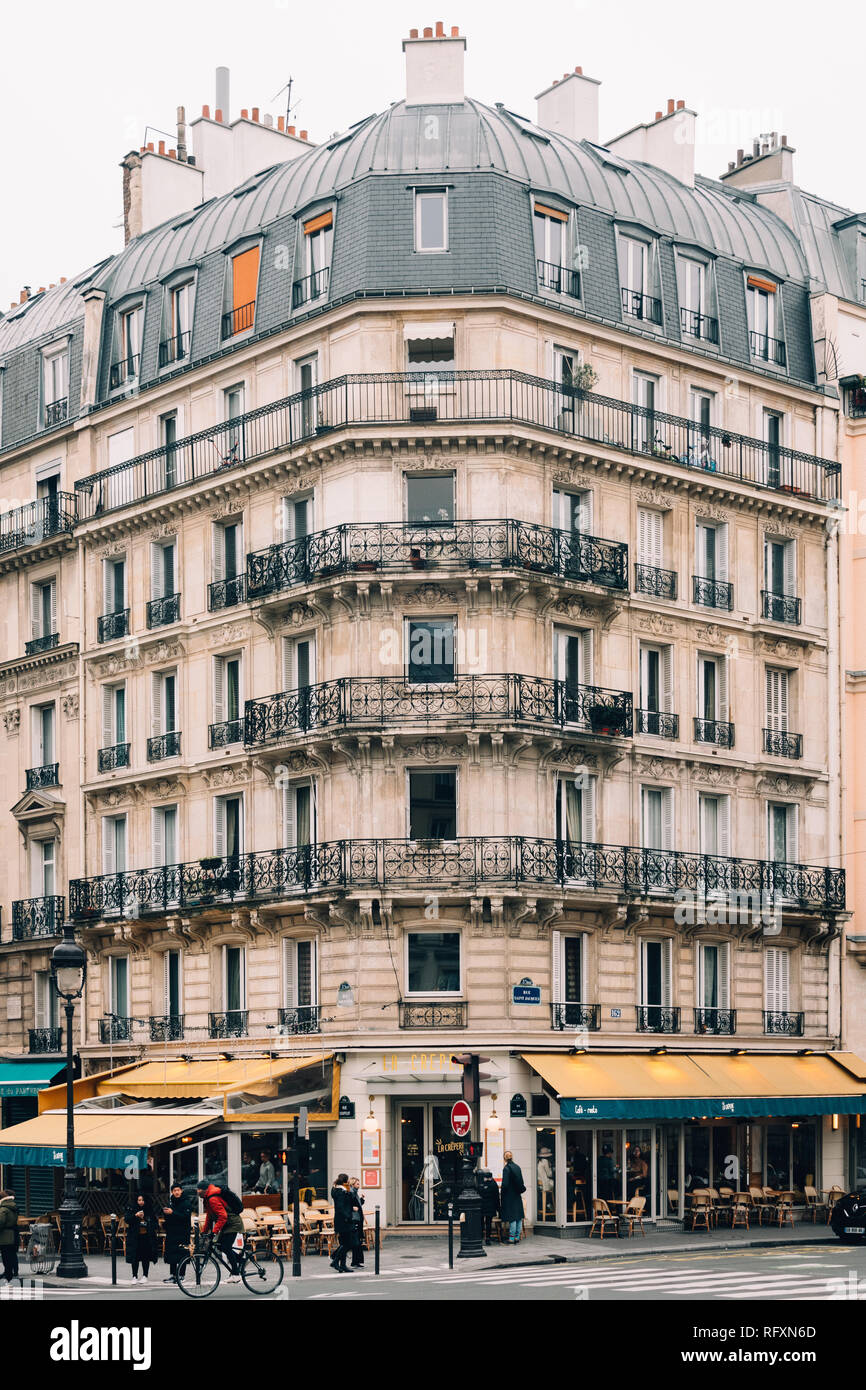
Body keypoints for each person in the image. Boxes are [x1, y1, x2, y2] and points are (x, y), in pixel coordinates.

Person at [197, 1179, 244, 1283]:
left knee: (226, 1247)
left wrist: (213, 1232)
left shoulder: (212, 1198)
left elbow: (223, 1216)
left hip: (233, 1223)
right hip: (227, 1224)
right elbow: (210, 1217)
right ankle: (241, 1260)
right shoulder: (208, 1198)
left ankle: (236, 1275)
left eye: (199, 1189)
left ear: (204, 1190)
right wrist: (204, 1232)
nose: (197, 1191)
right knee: (220, 1245)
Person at [124, 1194, 159, 1284]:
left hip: (146, 1237)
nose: (141, 1202)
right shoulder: (132, 1209)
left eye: (142, 1200)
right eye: (139, 1200)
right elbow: (127, 1219)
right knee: (134, 1257)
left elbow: (155, 1224)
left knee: (145, 1257)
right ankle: (134, 1276)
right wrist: (135, 1215)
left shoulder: (149, 1210)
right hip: (135, 1237)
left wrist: (146, 1219)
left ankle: (145, 1275)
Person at [161, 1183, 193, 1283]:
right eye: (174, 1190)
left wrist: (172, 1213)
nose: (176, 1192)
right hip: (172, 1232)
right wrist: (166, 1213)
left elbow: (185, 1217)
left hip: (183, 1232)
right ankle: (173, 1275)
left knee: (182, 1253)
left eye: (178, 1190)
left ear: (181, 1191)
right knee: (172, 1254)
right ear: (172, 1192)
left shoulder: (186, 1202)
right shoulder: (171, 1203)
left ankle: (182, 1275)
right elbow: (170, 1218)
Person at [329, 1174, 356, 1273]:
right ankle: (335, 1261)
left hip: (341, 1220)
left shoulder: (341, 1190)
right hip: (343, 1221)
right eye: (348, 1180)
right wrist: (348, 1217)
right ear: (345, 1181)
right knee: (348, 1243)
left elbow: (350, 1199)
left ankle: (342, 1265)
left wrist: (349, 1190)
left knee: (344, 1243)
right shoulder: (340, 1192)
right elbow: (341, 1207)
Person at [500, 1152, 526, 1244]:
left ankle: (511, 1238)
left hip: (509, 1195)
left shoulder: (506, 1169)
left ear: (504, 1158)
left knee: (512, 1217)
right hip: (517, 1194)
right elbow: (521, 1181)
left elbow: (505, 1184)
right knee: (518, 1216)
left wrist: (502, 1193)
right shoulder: (517, 1167)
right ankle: (517, 1237)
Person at [0, 1189, 20, 1284]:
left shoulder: (4, 1209)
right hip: (13, 1234)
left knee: (6, 1255)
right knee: (12, 1254)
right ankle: (14, 1272)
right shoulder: (14, 1207)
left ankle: (8, 1273)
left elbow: (0, 1222)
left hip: (5, 1236)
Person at [476, 1169, 500, 1244]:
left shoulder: (481, 1183)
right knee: (488, 1223)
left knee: (481, 1222)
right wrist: (498, 1208)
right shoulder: (494, 1184)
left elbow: (478, 1194)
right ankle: (488, 1238)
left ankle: (480, 1237)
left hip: (482, 1206)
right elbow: (496, 1197)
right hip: (491, 1206)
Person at [348, 1177, 366, 1268]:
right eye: (357, 1183)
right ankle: (354, 1262)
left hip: (358, 1219)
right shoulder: (351, 1193)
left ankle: (356, 1261)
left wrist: (362, 1200)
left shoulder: (355, 1193)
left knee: (358, 1241)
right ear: (353, 1184)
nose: (359, 1185)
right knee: (356, 1241)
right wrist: (352, 1208)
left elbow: (357, 1205)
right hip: (355, 1219)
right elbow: (348, 1205)